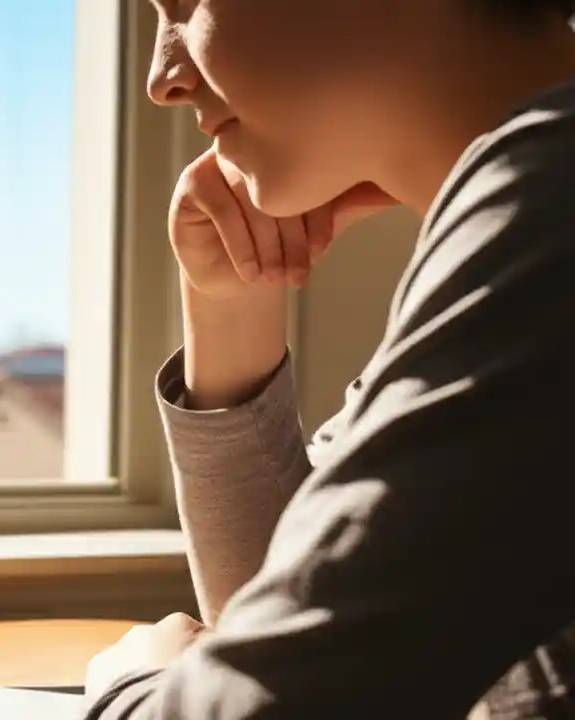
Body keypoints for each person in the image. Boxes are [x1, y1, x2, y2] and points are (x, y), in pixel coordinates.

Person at [83, 0, 575, 718]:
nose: (162, 77)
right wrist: (230, 307)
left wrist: (132, 692)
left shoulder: (550, 211)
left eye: (184, 5)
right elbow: (300, 618)